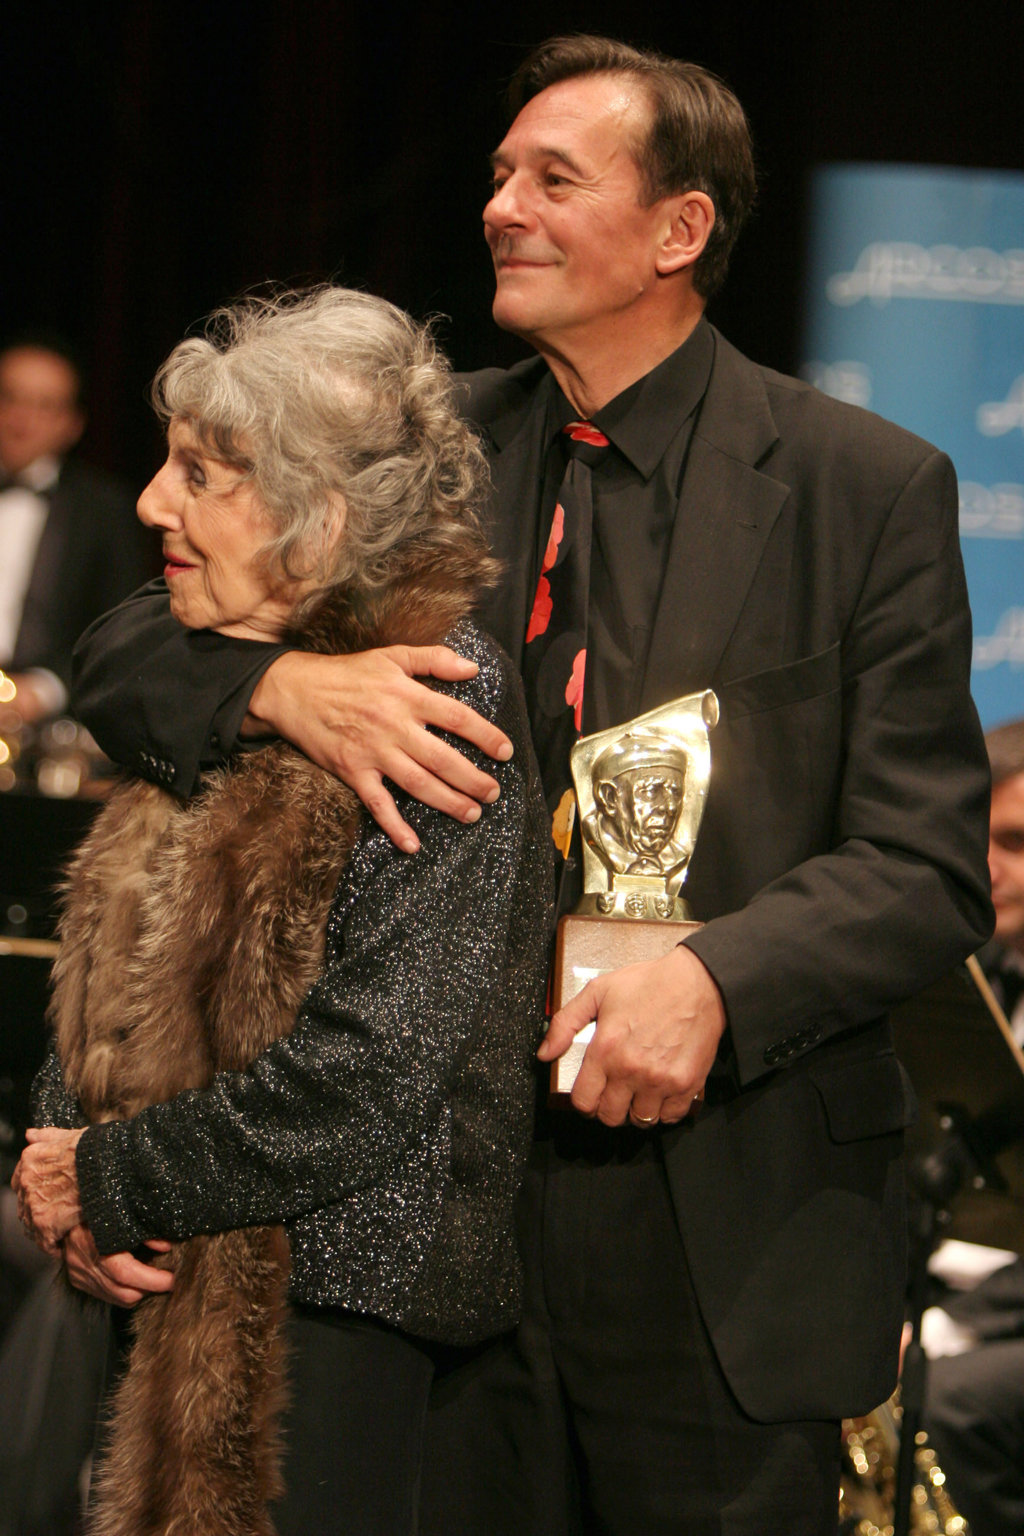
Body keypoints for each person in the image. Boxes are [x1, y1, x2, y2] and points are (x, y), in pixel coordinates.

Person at [67, 35, 992, 1536]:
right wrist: (274, 683)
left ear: (679, 231)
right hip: (435, 1228)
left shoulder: (862, 486)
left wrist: (720, 983)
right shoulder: (421, 456)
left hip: (721, 1236)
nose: (502, 205)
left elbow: (925, 861)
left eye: (555, 179)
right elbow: (126, 635)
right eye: (500, 173)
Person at [12, 286, 552, 1536]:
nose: (153, 502)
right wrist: (69, 1164)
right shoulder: (228, 659)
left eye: (202, 474)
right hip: (159, 1257)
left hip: (332, 1326)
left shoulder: (437, 701)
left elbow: (367, 1079)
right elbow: (117, 967)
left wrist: (102, 1173)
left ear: (321, 522)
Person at [921, 717, 1024, 1536]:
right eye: (977, 837)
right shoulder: (968, 979)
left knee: (953, 1398)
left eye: (1017, 843)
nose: (988, 868)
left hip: (997, 1323)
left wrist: (951, 1328)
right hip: (948, 1292)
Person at [0, 336, 154, 721]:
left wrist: (44, 691)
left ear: (71, 424)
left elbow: (121, 633)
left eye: (43, 406)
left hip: (48, 725)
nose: (20, 420)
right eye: (9, 398)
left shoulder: (105, 509)